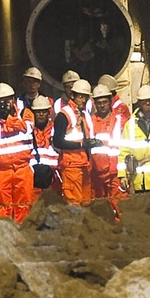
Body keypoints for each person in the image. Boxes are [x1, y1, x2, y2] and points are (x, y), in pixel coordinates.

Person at [0, 83, 37, 222]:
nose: (4, 104)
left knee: (23, 204)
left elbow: (28, 128)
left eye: (7, 100)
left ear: (13, 99)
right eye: (0, 101)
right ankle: (3, 233)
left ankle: (22, 231)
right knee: (1, 205)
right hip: (1, 170)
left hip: (22, 168)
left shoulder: (24, 113)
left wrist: (8, 118)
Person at [53, 78, 94, 206]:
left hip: (85, 164)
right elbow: (57, 141)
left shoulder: (85, 115)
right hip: (71, 166)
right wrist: (81, 145)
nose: (82, 100)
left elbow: (84, 136)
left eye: (85, 97)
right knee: (74, 204)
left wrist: (92, 142)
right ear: (73, 95)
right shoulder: (64, 115)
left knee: (86, 202)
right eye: (80, 97)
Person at [87, 78, 124, 216]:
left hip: (114, 171)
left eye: (104, 102)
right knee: (99, 206)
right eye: (99, 103)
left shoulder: (120, 120)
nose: (102, 105)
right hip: (96, 172)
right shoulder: (90, 122)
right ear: (95, 103)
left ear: (110, 101)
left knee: (118, 203)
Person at [29, 95, 59, 196]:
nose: (41, 114)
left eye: (44, 111)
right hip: (34, 180)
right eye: (38, 112)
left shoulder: (56, 130)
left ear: (48, 112)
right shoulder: (28, 131)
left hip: (54, 179)